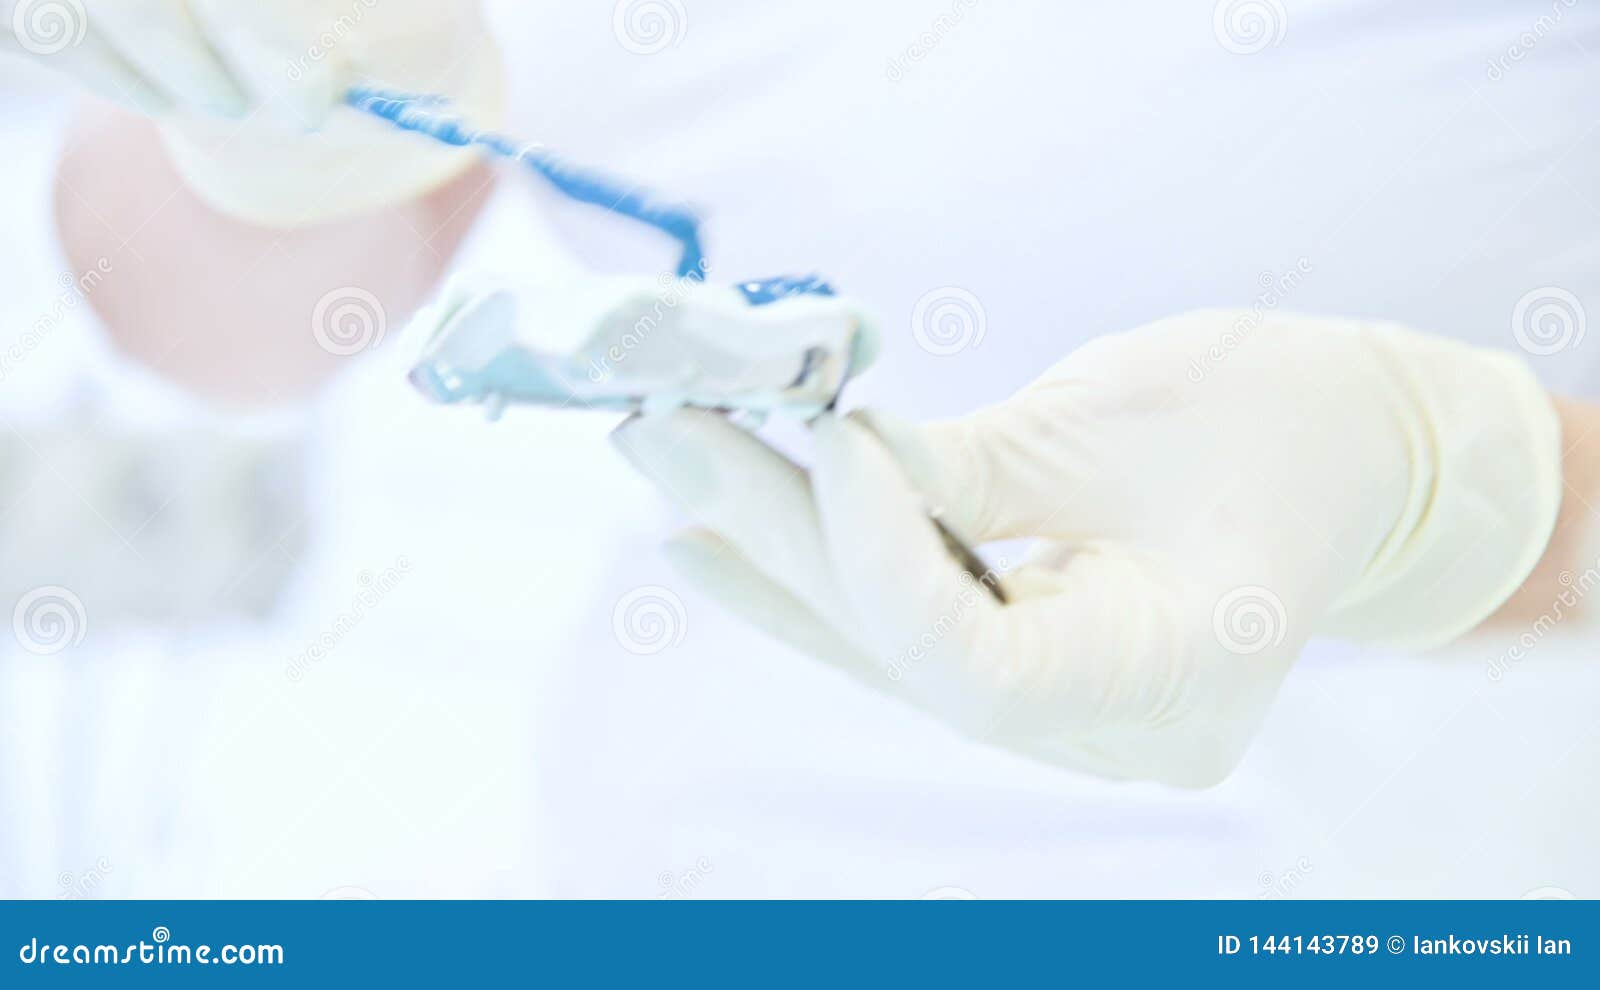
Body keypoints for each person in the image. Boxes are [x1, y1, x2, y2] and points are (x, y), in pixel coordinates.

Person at [5, 0, 1597, 895]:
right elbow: (214, 314)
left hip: (1466, 831)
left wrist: (1481, 500)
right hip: (774, 846)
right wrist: (253, 141)